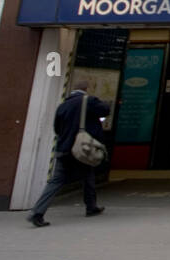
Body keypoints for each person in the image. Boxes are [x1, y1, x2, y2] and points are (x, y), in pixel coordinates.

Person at [26, 80, 109, 227]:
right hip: (83, 148)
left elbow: (57, 128)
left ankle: (37, 212)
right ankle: (91, 207)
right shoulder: (89, 101)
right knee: (88, 176)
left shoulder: (62, 106)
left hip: (64, 148)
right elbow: (105, 110)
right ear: (86, 89)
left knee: (56, 181)